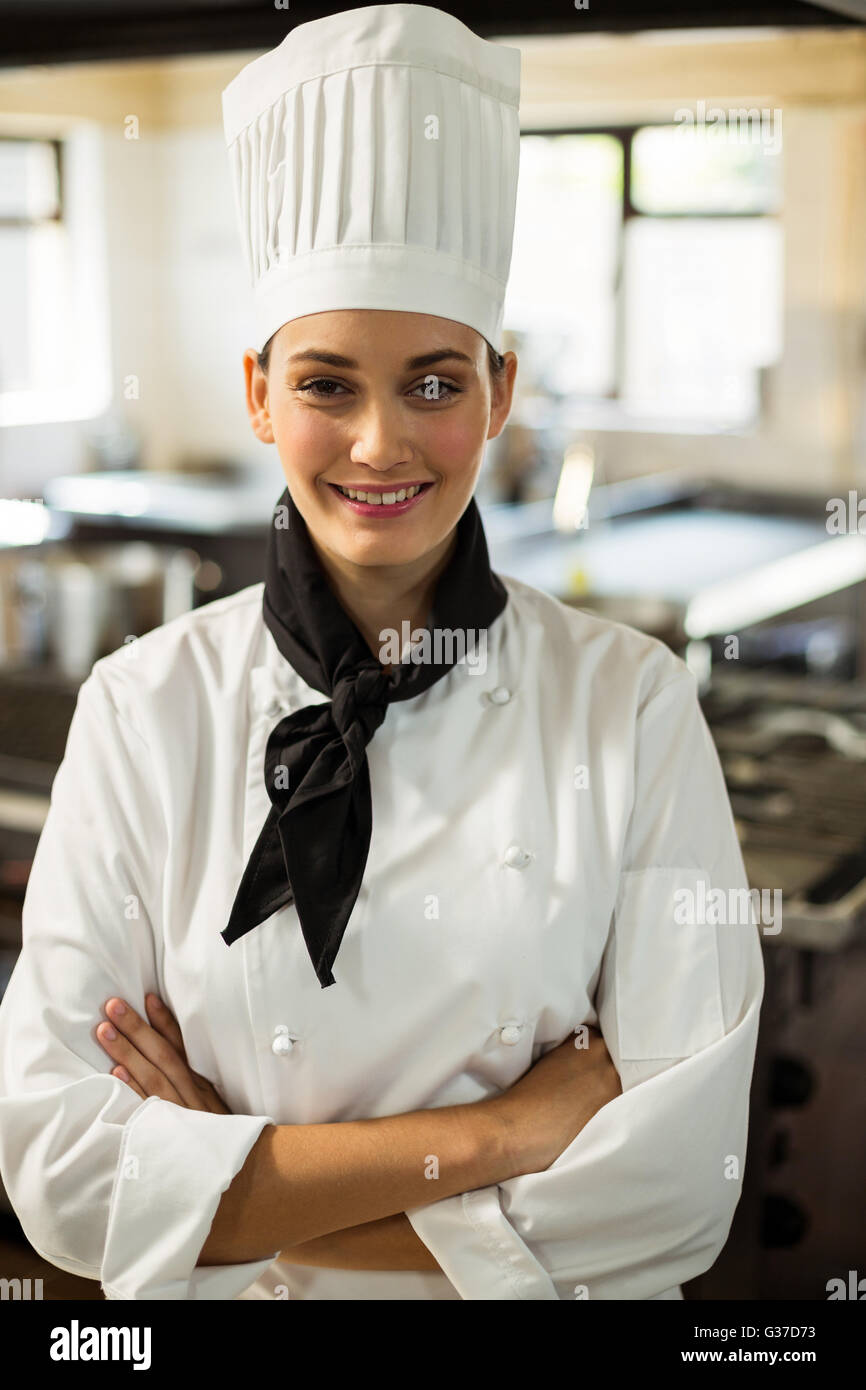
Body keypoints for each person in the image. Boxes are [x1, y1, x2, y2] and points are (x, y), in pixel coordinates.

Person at [0, 4, 763, 1301]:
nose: (377, 444)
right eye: (325, 383)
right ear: (257, 391)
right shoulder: (143, 708)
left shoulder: (625, 703)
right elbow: (64, 1173)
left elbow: (680, 1190)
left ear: (497, 391)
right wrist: (498, 1136)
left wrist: (228, 1199)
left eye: (430, 381)